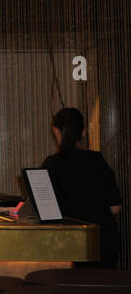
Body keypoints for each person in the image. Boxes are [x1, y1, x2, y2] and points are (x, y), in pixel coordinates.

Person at [41, 107, 122, 267]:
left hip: (68, 247)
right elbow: (115, 208)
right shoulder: (97, 160)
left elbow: (46, 212)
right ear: (83, 131)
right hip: (103, 244)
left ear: (56, 131)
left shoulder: (51, 164)